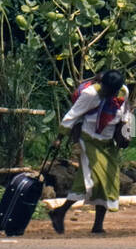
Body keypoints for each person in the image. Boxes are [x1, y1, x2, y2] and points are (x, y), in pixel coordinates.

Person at [49, 70, 128, 235]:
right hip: (90, 141)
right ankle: (62, 212)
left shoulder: (123, 93)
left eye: (113, 91)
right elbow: (72, 115)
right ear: (102, 85)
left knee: (108, 182)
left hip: (109, 144)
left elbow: (126, 114)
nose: (110, 94)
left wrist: (126, 134)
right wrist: (58, 138)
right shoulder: (90, 94)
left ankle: (93, 224)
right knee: (97, 180)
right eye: (107, 90)